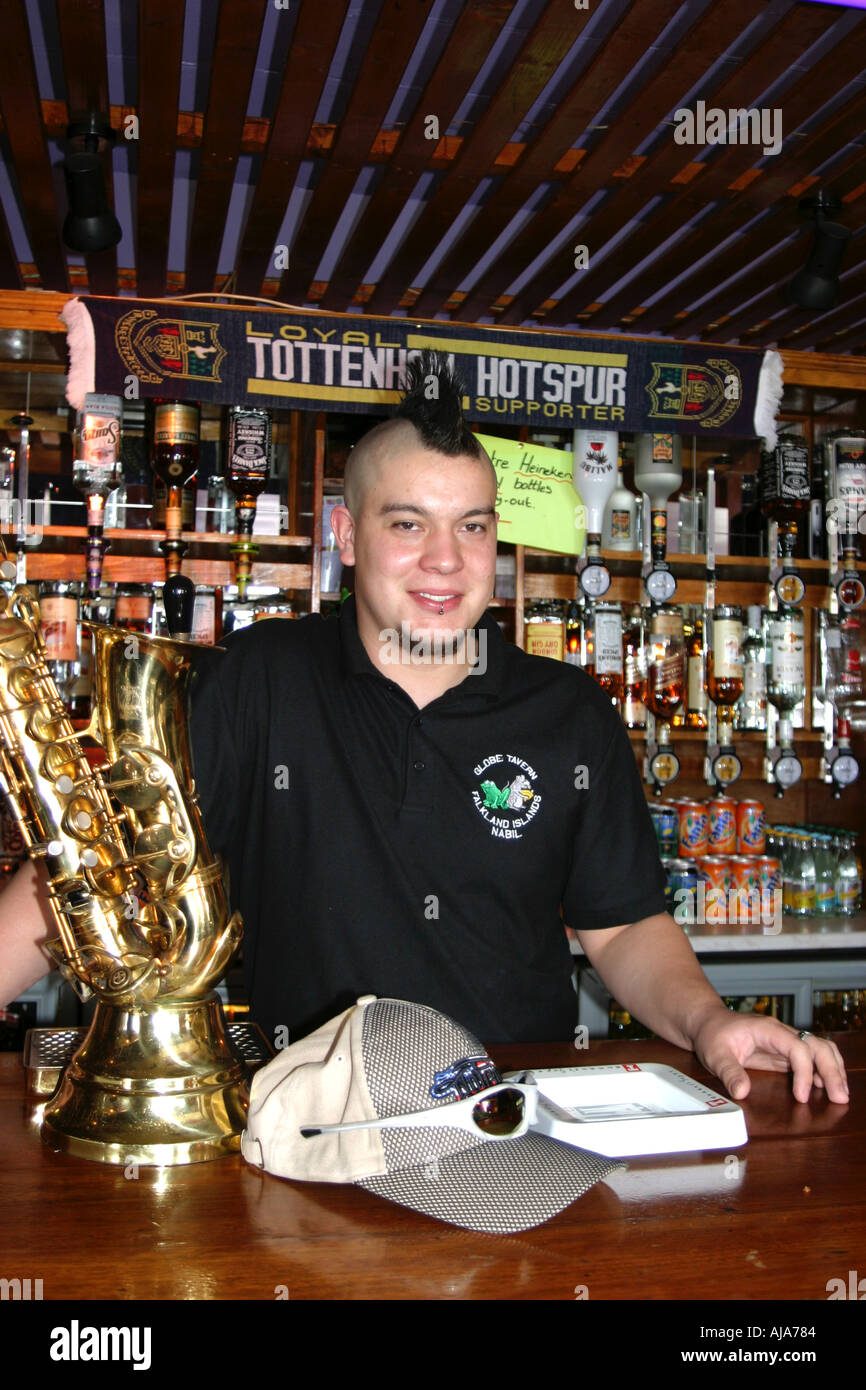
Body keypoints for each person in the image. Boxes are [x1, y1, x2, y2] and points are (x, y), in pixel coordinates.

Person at [0, 351, 848, 1107]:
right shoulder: (257, 679)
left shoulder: (568, 711)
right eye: (408, 524)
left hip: (517, 1121)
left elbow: (622, 925)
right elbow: (97, 864)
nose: (446, 560)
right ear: (346, 536)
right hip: (304, 1121)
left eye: (472, 527)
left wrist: (708, 1024)